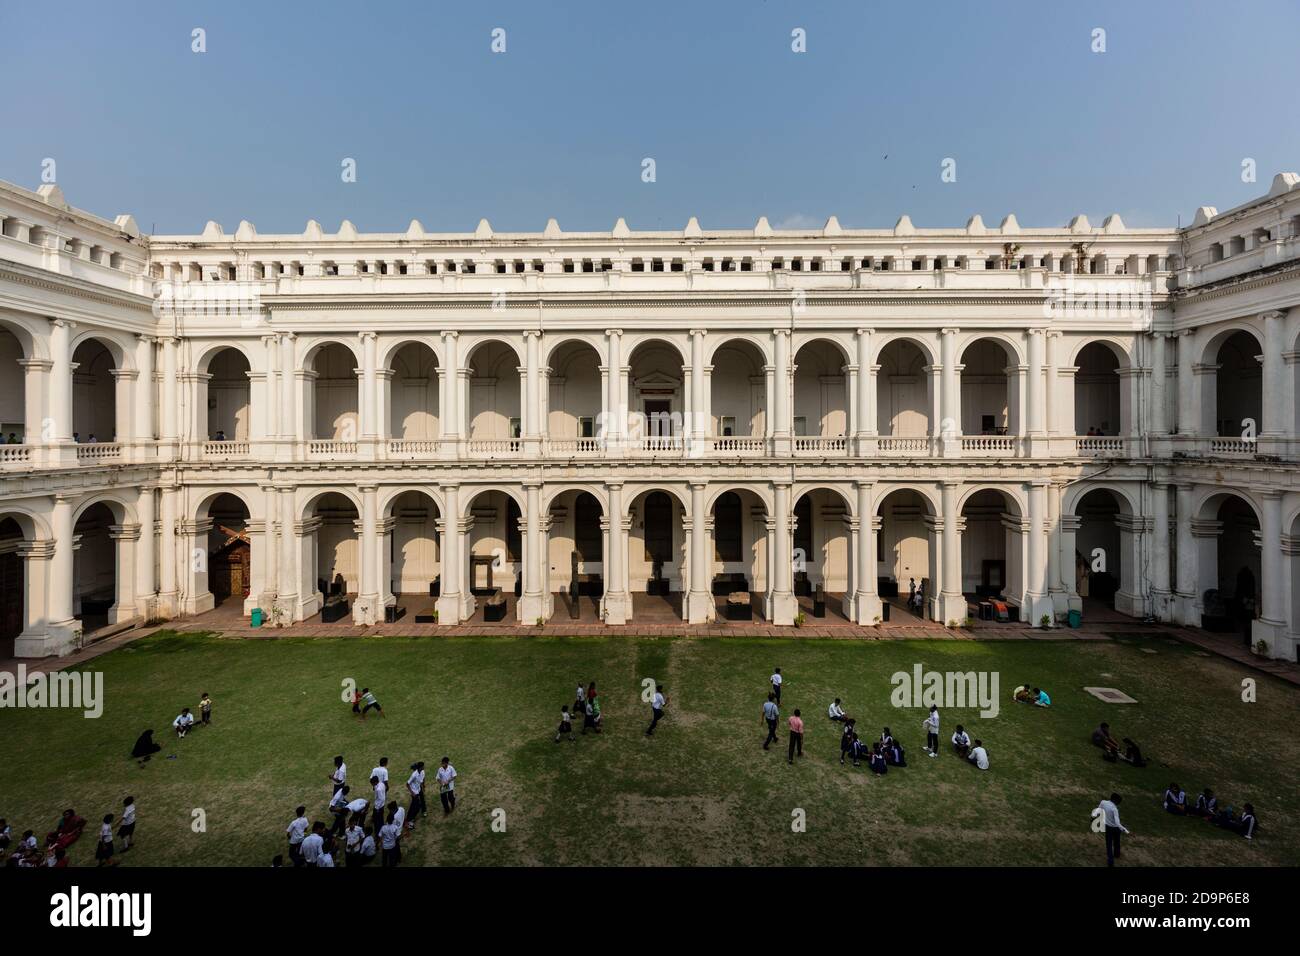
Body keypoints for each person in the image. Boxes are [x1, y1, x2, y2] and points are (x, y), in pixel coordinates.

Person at [1097, 793, 1128, 866]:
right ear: (1115, 800)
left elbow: (1098, 811)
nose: (1118, 804)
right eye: (1118, 802)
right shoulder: (1114, 809)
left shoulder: (1103, 802)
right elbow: (1117, 823)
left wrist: (1093, 818)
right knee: (1117, 842)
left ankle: (1110, 861)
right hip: (1116, 829)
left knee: (1109, 844)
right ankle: (1117, 854)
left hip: (1108, 828)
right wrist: (1126, 830)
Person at [406, 762, 426, 828]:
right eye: (423, 766)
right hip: (414, 792)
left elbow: (422, 780)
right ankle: (410, 820)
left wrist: (423, 787)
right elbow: (407, 784)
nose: (424, 767)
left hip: (418, 790)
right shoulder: (414, 775)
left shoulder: (422, 772)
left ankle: (408, 818)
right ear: (420, 767)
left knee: (414, 805)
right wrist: (412, 793)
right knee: (416, 807)